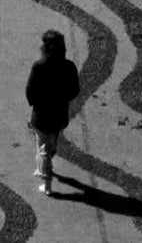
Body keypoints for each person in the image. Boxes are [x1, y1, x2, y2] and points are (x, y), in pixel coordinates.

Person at [25, 29, 80, 195]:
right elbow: (74, 90)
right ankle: (44, 164)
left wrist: (33, 102)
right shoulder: (69, 66)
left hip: (41, 115)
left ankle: (46, 182)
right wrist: (63, 100)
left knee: (42, 147)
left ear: (46, 48)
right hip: (58, 114)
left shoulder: (39, 66)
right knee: (51, 145)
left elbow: (29, 90)